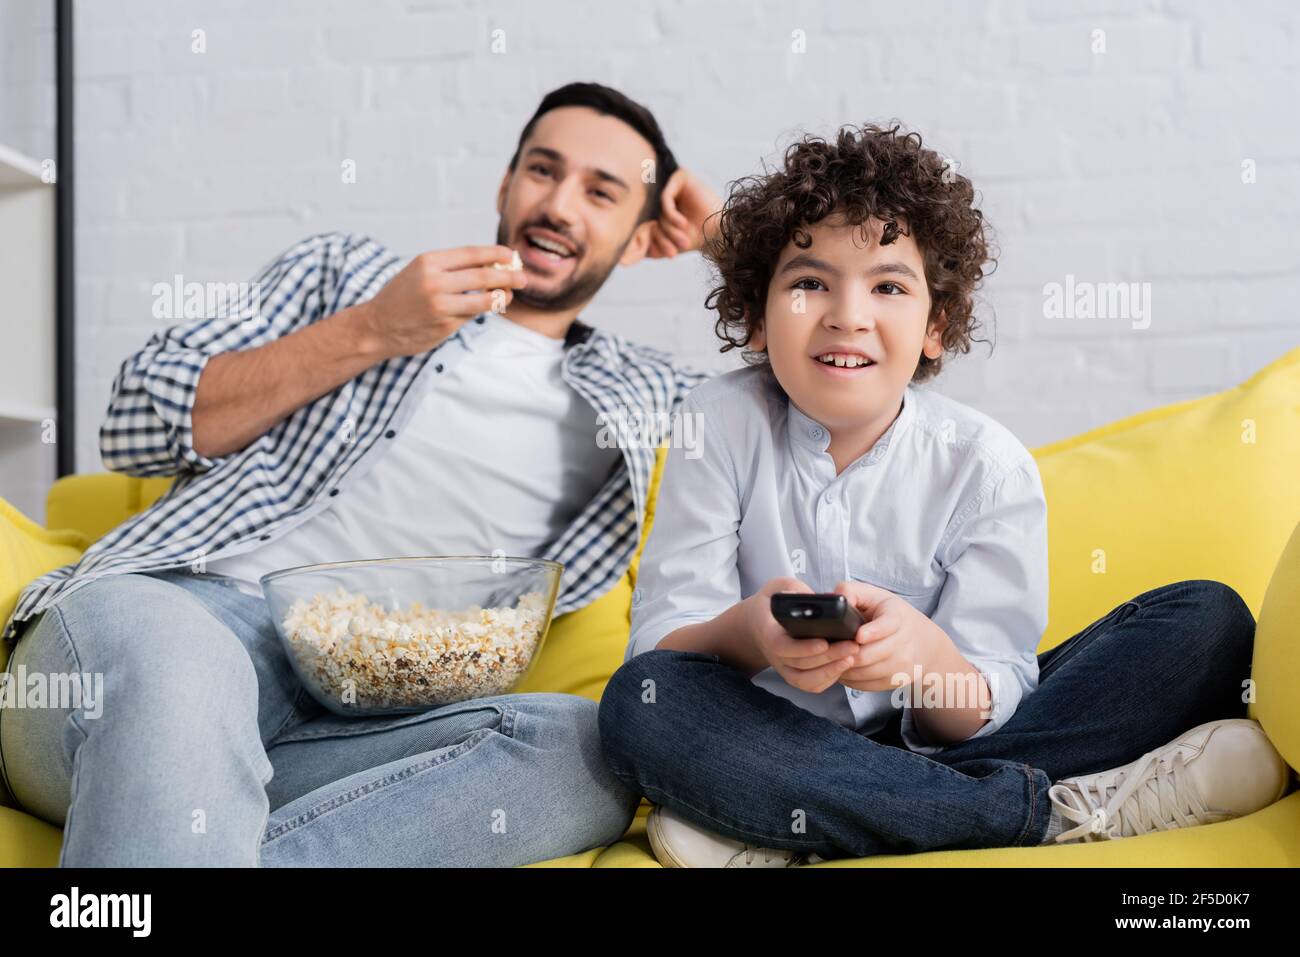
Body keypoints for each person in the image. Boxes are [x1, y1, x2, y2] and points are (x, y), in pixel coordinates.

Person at [0, 81, 724, 867]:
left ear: (644, 236)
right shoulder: (349, 276)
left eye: (602, 192)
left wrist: (723, 235)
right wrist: (372, 329)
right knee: (185, 668)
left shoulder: (646, 390)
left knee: (585, 750)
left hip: (363, 724)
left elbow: (819, 380)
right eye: (542, 170)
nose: (559, 204)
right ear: (505, 184)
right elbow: (134, 420)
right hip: (170, 630)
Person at [597, 122, 1291, 867]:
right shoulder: (717, 420)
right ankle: (1042, 813)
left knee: (1208, 622)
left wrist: (925, 660)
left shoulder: (987, 465)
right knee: (645, 702)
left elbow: (996, 687)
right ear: (759, 315)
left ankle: (808, 822)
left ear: (937, 324)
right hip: (764, 736)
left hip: (949, 738)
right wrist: (751, 631)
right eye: (808, 282)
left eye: (888, 285)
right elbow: (663, 644)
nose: (847, 314)